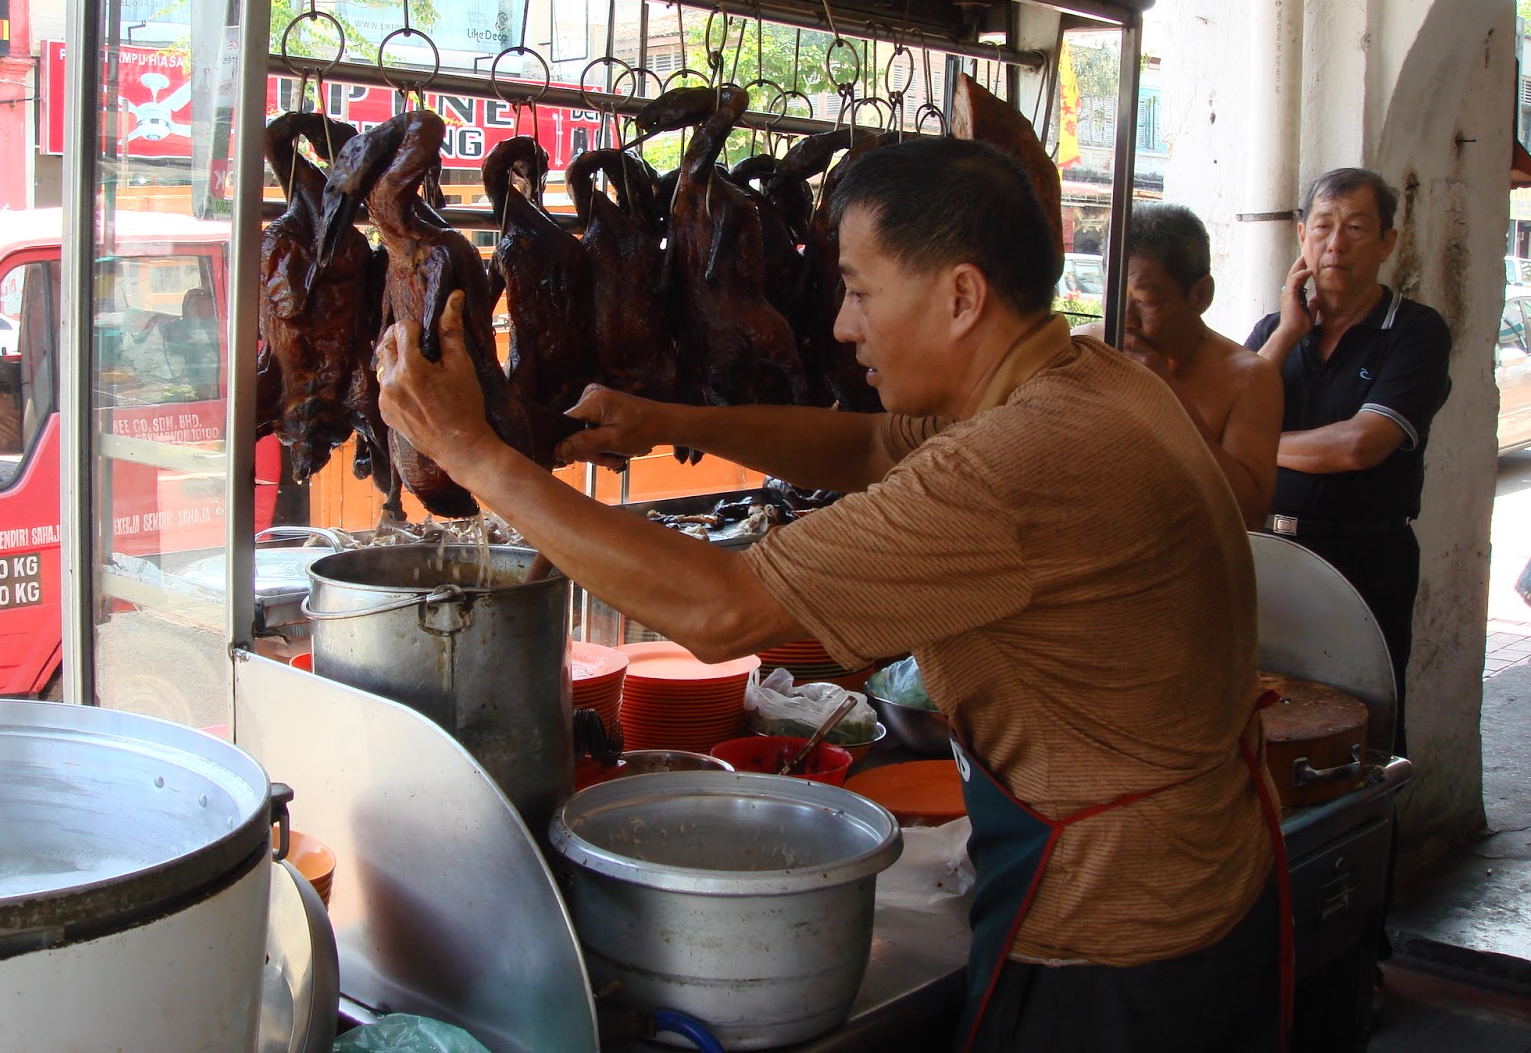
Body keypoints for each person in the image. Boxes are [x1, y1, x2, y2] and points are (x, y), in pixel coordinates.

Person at [376, 138, 1283, 1050]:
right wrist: (666, 422)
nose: (844, 324)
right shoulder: (1090, 377)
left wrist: (475, 457)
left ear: (961, 296)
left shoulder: (1022, 460)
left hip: (1120, 935)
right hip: (1198, 874)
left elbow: (722, 611)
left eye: (860, 289)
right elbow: (874, 448)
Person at [1245, 168, 1452, 755]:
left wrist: (1257, 443)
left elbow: (1361, 445)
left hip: (1366, 561)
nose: (1335, 244)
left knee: (1365, 729)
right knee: (1265, 724)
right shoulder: (1274, 331)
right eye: (1323, 227)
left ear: (1388, 242)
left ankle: (1373, 845)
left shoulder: (1414, 332)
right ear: (1303, 236)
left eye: (1357, 228)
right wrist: (1286, 331)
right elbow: (1220, 420)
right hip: (1272, 557)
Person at [1081, 203, 1283, 528]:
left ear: (1201, 296)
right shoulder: (1082, 349)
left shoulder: (1247, 378)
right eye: (1113, 295)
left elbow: (1249, 513)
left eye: (1145, 301)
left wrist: (1170, 400)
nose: (1125, 318)